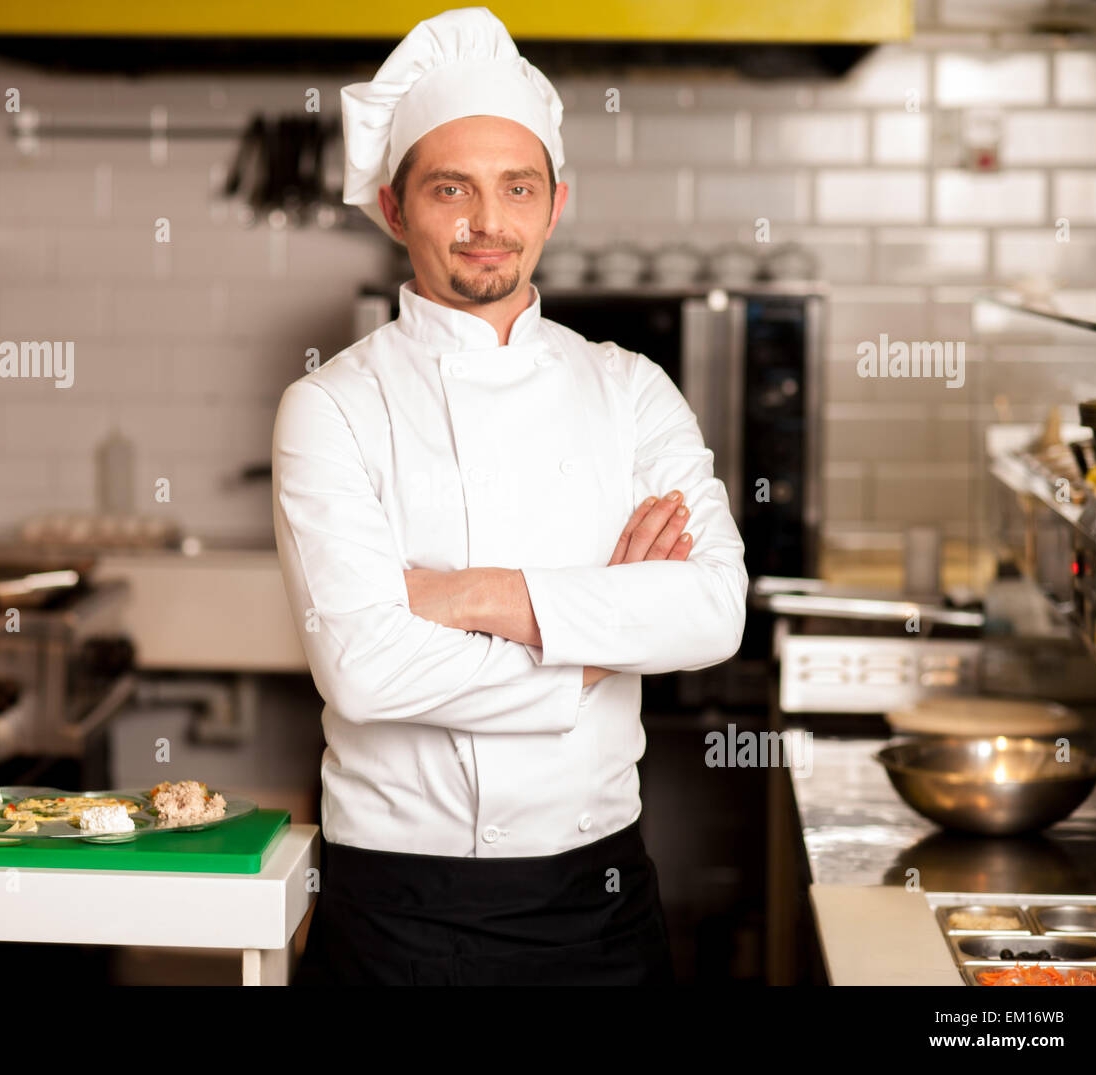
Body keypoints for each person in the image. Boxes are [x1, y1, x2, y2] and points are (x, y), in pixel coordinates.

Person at [272, 6, 748, 986]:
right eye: (452, 189)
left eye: (516, 187)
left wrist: (465, 595)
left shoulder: (630, 388)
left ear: (554, 203)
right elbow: (362, 669)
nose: (489, 223)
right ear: (397, 208)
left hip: (596, 896)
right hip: (392, 903)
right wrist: (589, 649)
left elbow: (712, 609)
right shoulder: (329, 405)